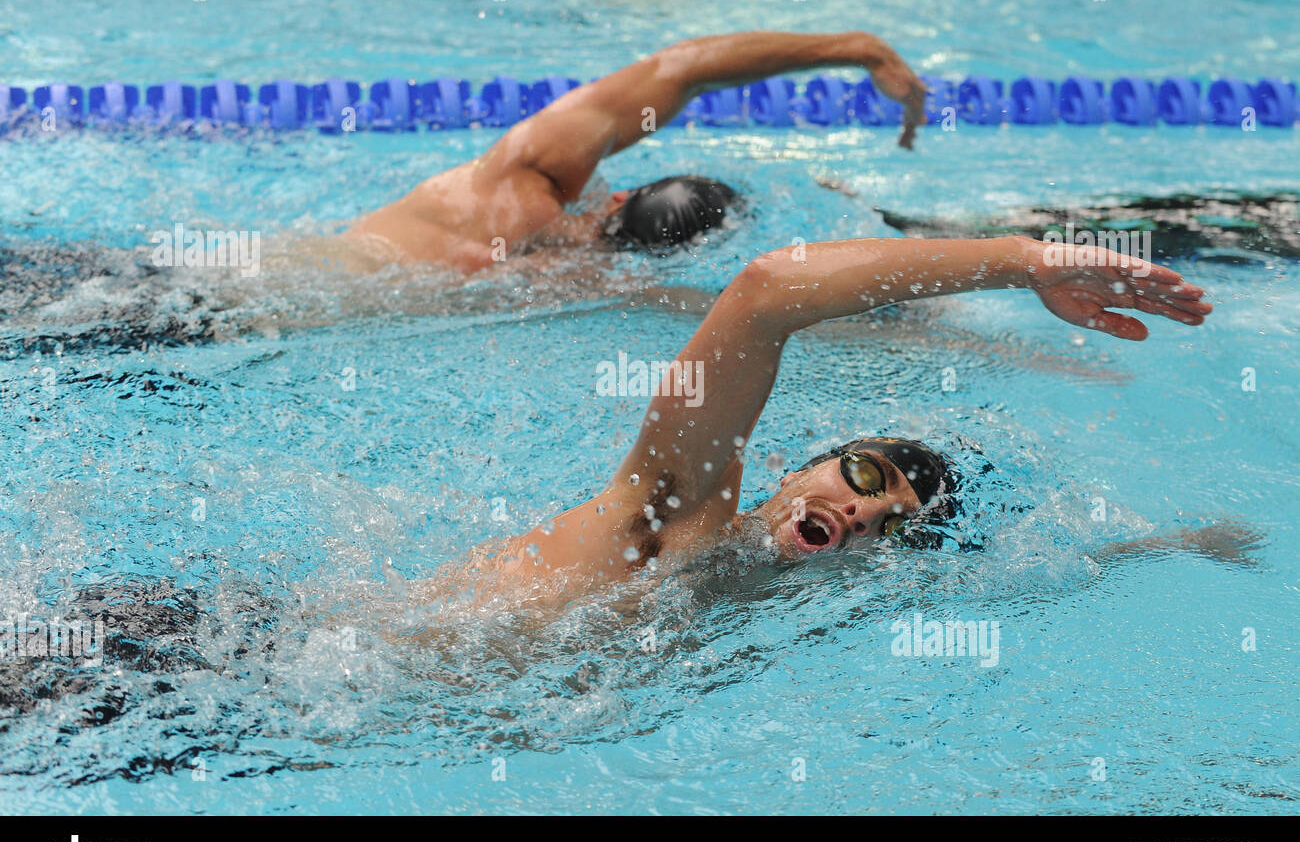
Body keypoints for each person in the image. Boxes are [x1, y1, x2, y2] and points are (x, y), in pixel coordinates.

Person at [434, 235, 1213, 610]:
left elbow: (1017, 579)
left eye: (895, 522)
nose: (867, 510)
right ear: (792, 469)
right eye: (866, 475)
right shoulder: (669, 518)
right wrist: (1021, 261)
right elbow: (765, 292)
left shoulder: (764, 603)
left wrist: (1173, 548)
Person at [345, 30, 928, 271]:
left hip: (305, 274)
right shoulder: (580, 280)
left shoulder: (525, 179)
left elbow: (684, 69)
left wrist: (860, 49)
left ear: (620, 193)